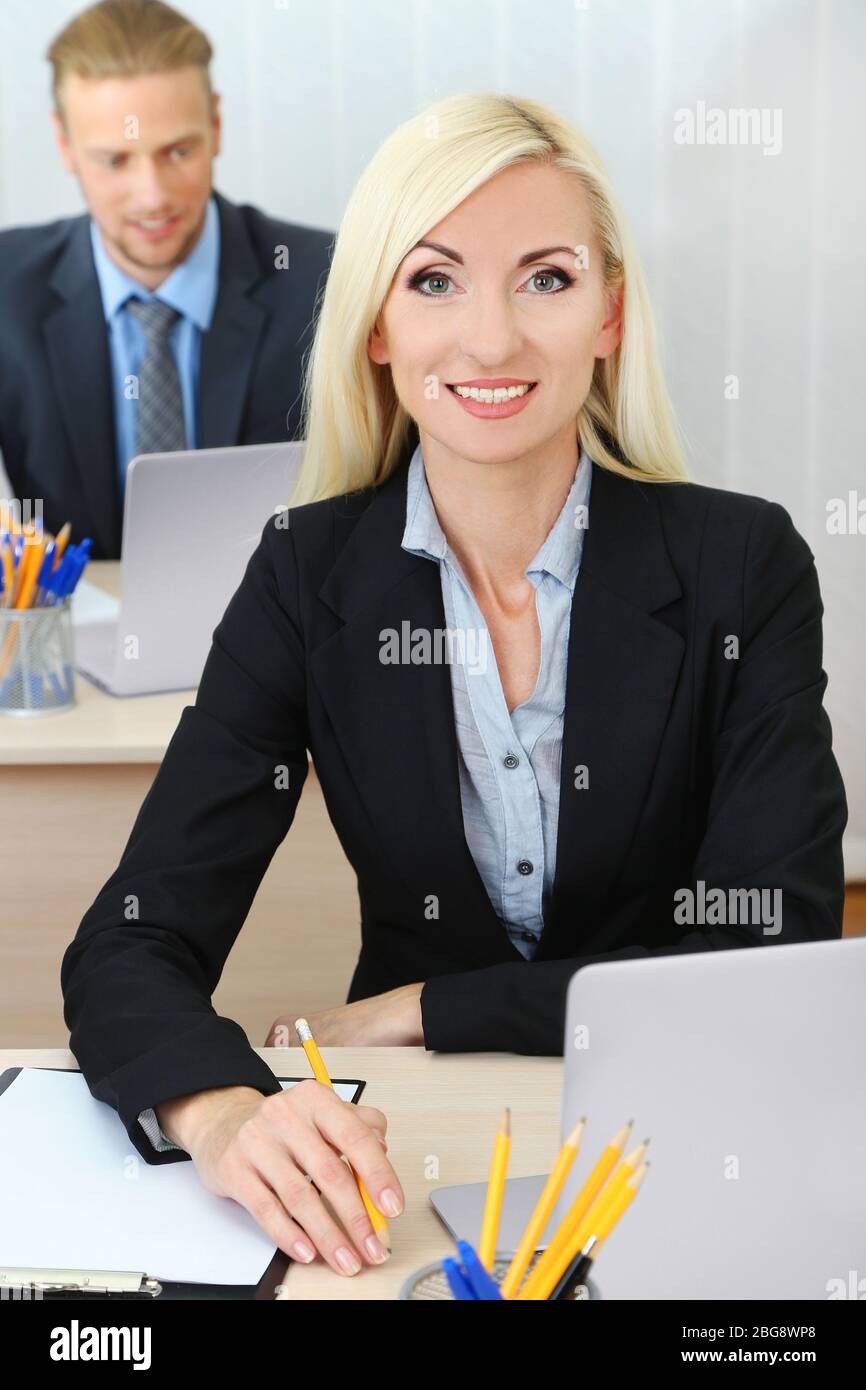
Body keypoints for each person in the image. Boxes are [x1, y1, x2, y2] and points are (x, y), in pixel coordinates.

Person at [61, 92, 848, 1275]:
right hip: (423, 1149)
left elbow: (770, 947)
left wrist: (426, 1004)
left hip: (690, 1128)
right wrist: (219, 1116)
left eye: (544, 279)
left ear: (609, 314)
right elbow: (129, 943)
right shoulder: (306, 574)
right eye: (433, 281)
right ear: (376, 324)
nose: (488, 341)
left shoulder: (741, 564)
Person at [0, 0, 333, 558]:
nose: (152, 196)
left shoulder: (328, 282)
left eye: (178, 151)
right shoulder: (7, 290)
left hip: (282, 633)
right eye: (114, 160)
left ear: (216, 126)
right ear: (65, 146)